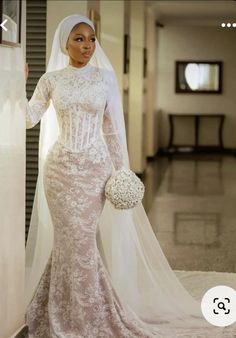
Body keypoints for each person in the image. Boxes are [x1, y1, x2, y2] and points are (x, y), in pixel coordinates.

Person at [24, 14, 235, 338]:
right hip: (60, 173)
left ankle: (85, 314)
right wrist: (12, 83)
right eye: (79, 39)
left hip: (94, 170)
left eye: (92, 39)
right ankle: (61, 311)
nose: (87, 46)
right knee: (70, 243)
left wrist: (121, 172)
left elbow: (112, 132)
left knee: (79, 243)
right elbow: (28, 119)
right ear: (64, 42)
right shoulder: (50, 80)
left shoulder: (105, 79)